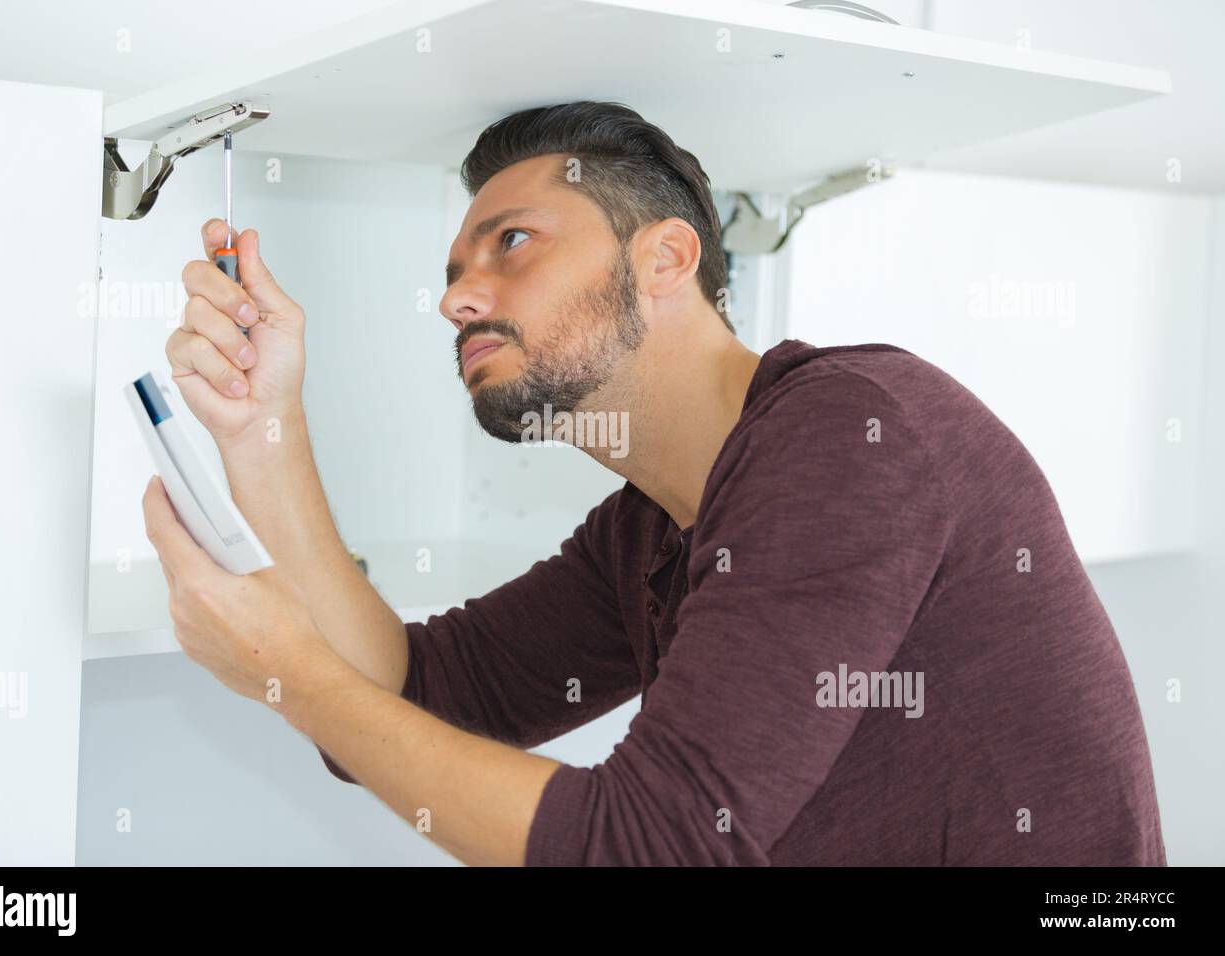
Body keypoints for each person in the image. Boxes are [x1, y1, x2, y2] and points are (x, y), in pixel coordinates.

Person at [141, 101, 1165, 866]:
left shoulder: (853, 435)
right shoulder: (649, 527)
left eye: (511, 243)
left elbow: (657, 843)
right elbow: (420, 696)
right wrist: (264, 431)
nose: (456, 295)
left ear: (667, 256)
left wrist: (288, 669)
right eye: (455, 269)